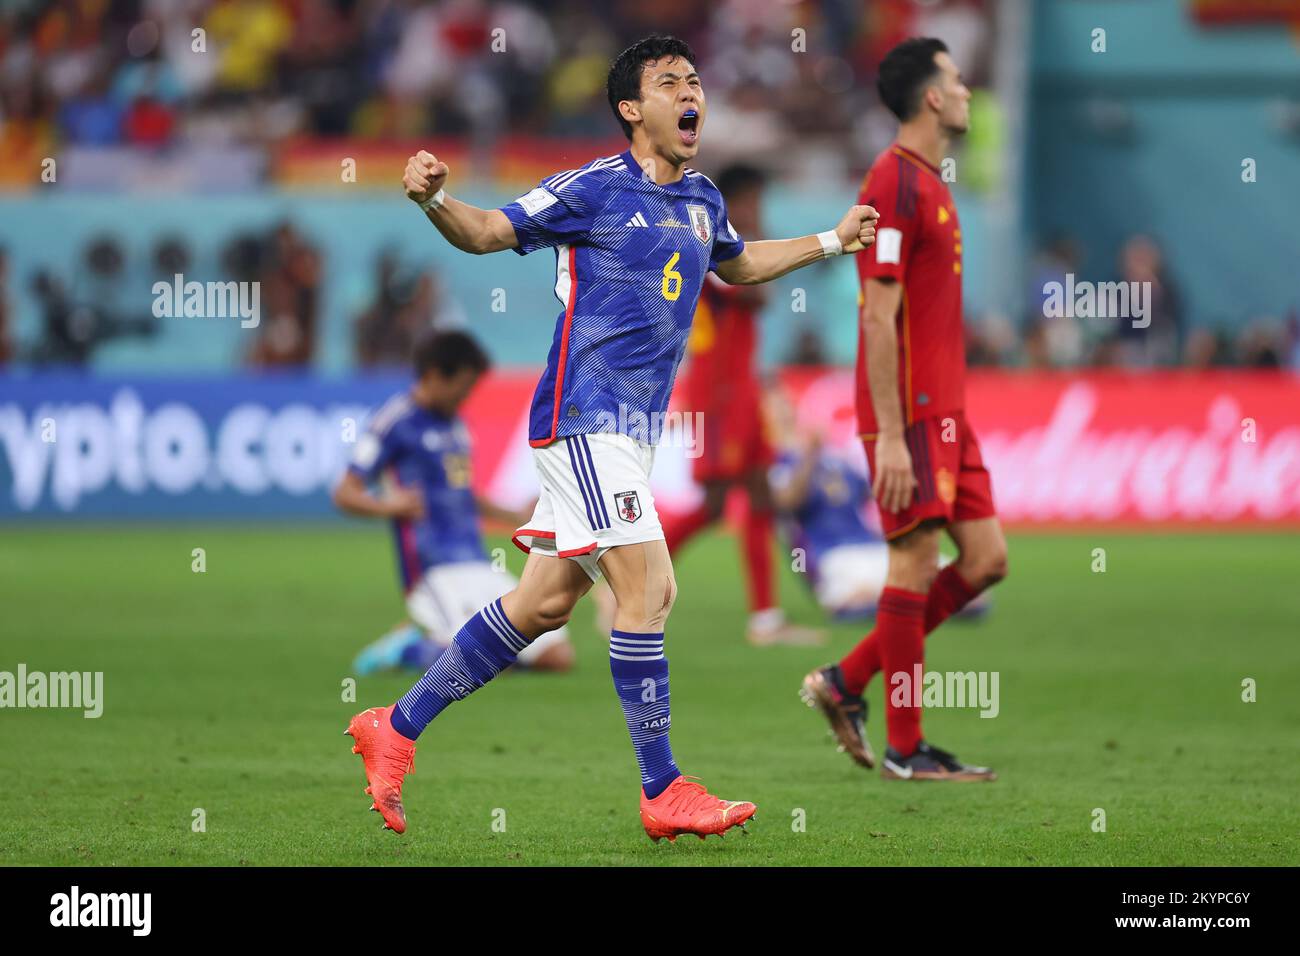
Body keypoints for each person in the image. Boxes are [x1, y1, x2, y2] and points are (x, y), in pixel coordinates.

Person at [345, 34, 878, 840]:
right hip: (582, 419)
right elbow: (489, 230)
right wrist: (432, 199)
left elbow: (734, 267)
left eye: (695, 79)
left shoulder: (703, 200)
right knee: (648, 591)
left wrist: (831, 240)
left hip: (632, 436)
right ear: (633, 108)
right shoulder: (593, 189)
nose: (690, 92)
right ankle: (662, 790)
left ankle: (396, 726)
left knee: (543, 602)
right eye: (670, 82)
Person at [802, 38, 1006, 782]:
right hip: (912, 416)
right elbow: (877, 317)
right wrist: (889, 435)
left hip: (950, 414)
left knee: (985, 561)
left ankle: (847, 680)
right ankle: (906, 746)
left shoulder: (930, 181)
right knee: (915, 562)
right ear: (931, 97)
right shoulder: (892, 182)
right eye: (956, 79)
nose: (967, 91)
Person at [333, 329, 574, 676]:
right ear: (433, 375)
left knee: (556, 656)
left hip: (477, 561)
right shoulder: (396, 421)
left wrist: (516, 515)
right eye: (462, 386)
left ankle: (430, 643)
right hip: (433, 567)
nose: (466, 396)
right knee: (479, 660)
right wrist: (391, 506)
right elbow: (344, 492)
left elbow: (461, 494)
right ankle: (407, 648)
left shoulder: (456, 425)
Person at [662, 163, 823, 647]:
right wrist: (756, 238)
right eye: (751, 202)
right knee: (714, 506)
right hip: (718, 395)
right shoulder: (709, 245)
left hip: (744, 391)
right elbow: (757, 293)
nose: (758, 212)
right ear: (731, 202)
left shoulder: (732, 241)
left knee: (760, 496)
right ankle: (624, 582)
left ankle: (765, 619)